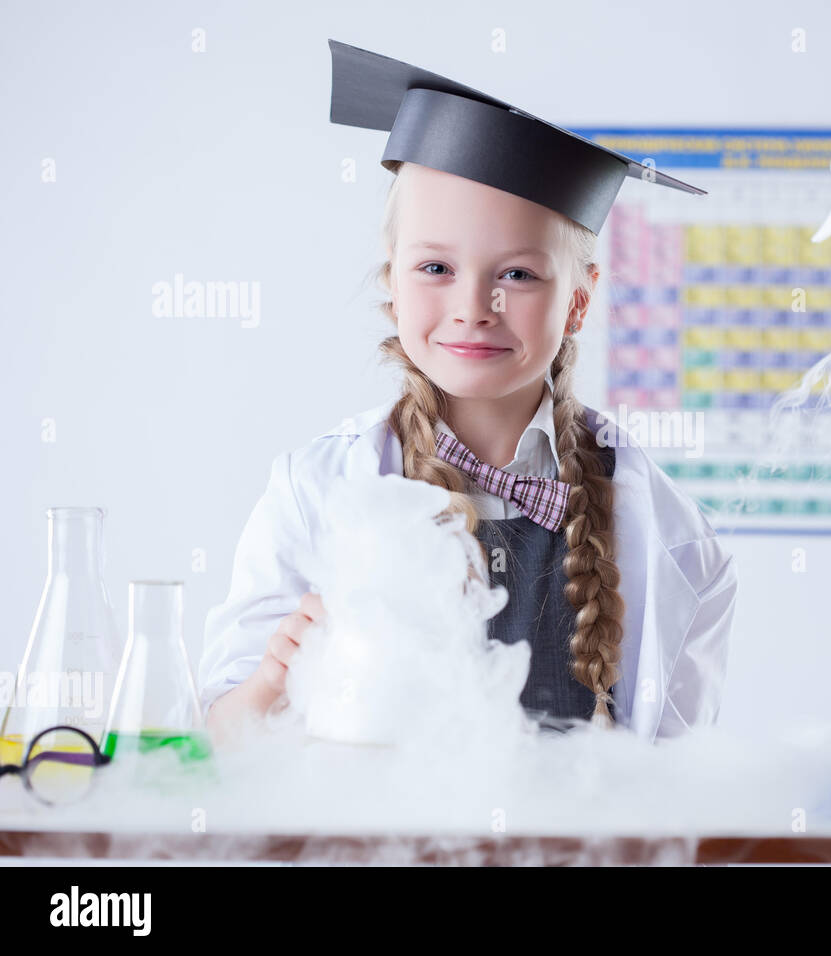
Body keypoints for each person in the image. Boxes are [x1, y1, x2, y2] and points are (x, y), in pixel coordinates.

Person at [198, 41, 738, 745]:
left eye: (517, 274)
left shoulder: (674, 536)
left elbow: (680, 777)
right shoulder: (313, 492)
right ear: (392, 284)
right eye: (435, 267)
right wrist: (275, 682)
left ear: (579, 300)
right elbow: (219, 741)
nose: (473, 306)